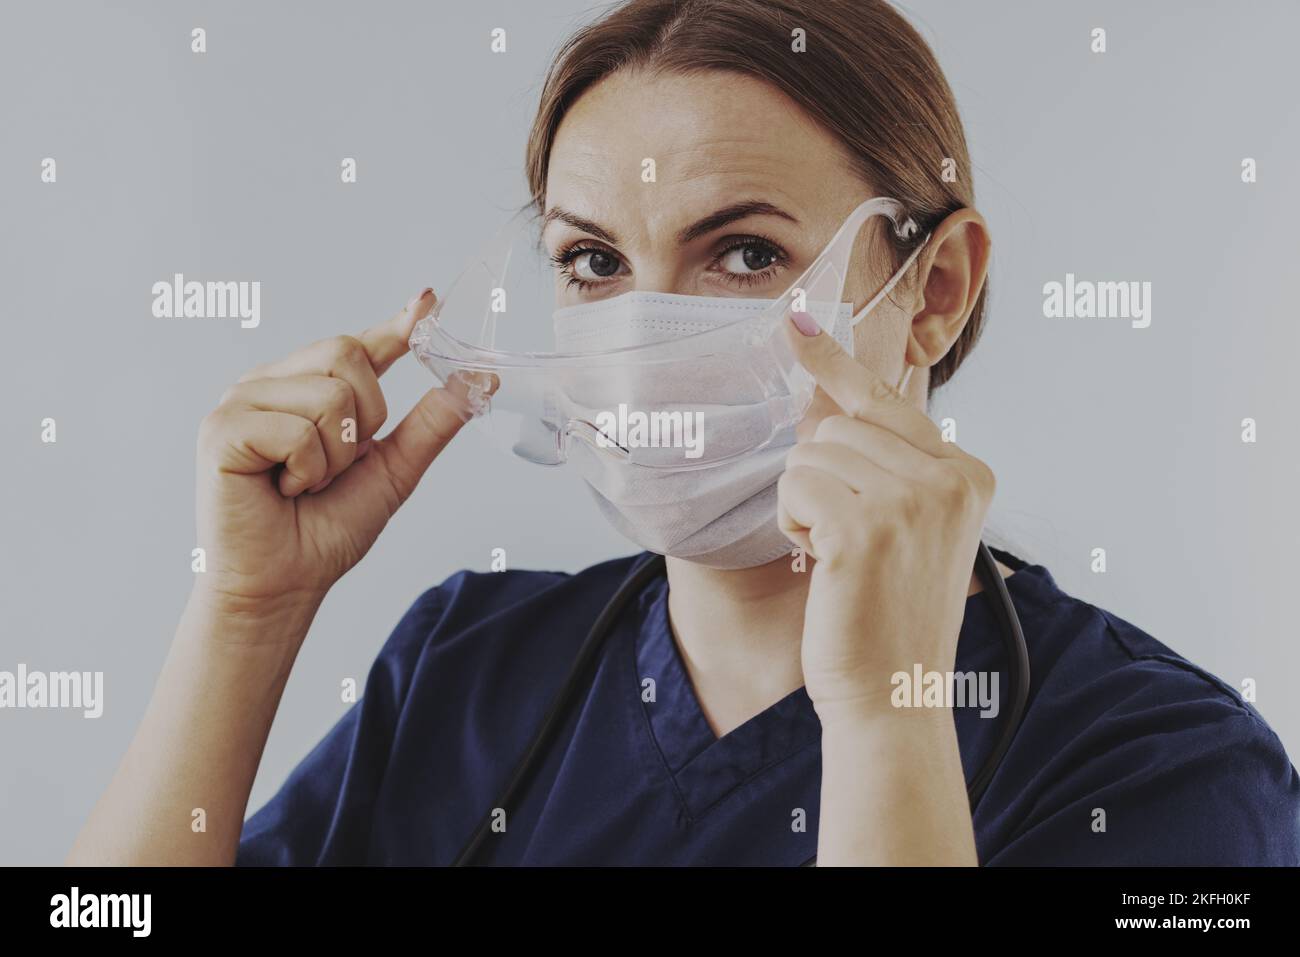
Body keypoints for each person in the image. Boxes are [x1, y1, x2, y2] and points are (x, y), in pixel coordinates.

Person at [69, 0, 1299, 866]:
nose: (644, 334)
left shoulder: (1167, 766)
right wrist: (245, 613)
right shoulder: (468, 668)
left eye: (746, 253)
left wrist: (885, 722)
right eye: (594, 262)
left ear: (932, 291)